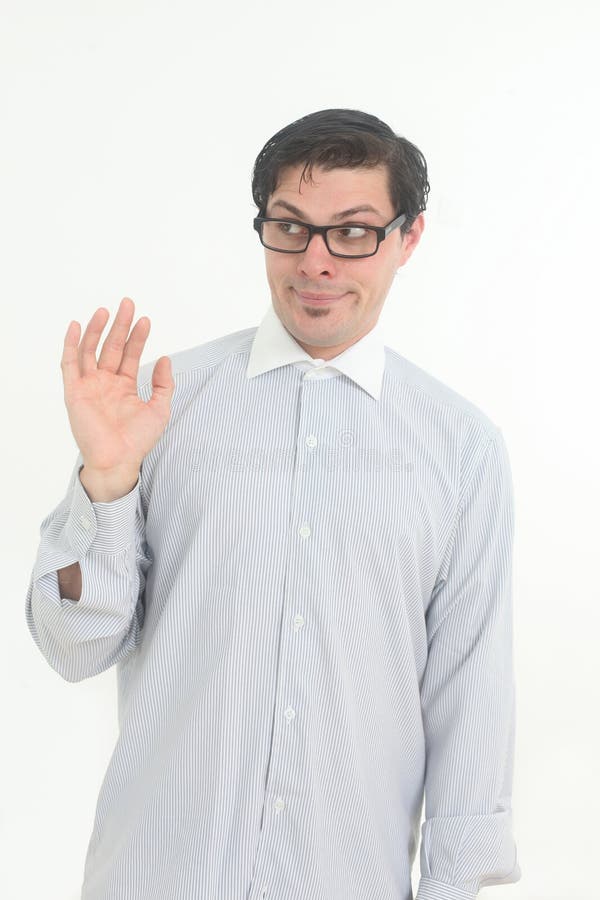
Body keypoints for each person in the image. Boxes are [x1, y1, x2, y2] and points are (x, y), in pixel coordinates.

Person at [25, 108, 521, 900]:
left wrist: (455, 886)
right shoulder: (159, 408)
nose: (316, 261)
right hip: (157, 876)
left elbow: (469, 693)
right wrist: (104, 483)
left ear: (408, 238)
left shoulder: (461, 449)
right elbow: (72, 646)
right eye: (291, 227)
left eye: (352, 232)